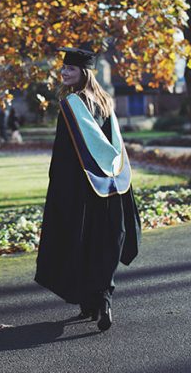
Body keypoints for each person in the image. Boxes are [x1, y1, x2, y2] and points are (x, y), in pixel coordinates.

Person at [35, 46, 141, 332]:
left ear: (84, 72)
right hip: (109, 185)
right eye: (63, 68)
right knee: (105, 241)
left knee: (82, 240)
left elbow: (64, 152)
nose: (63, 72)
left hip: (81, 187)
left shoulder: (72, 104)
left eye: (70, 68)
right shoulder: (105, 101)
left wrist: (58, 185)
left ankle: (88, 302)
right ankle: (103, 298)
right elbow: (114, 146)